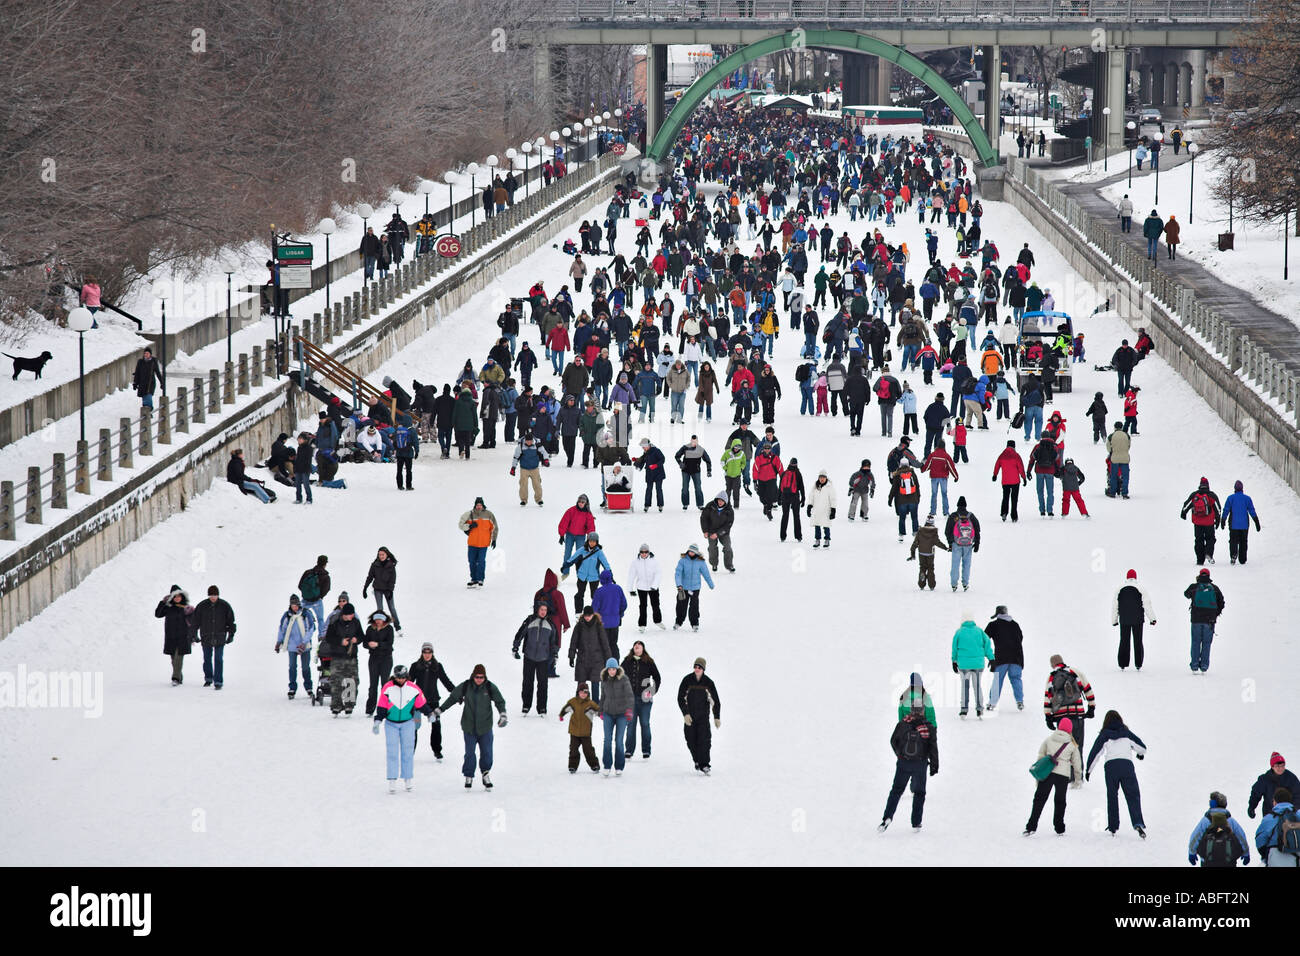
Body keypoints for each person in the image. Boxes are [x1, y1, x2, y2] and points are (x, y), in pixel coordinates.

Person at [435, 664, 508, 790]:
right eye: (477, 677)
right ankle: (469, 775)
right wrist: (440, 709)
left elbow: (499, 701)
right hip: (469, 727)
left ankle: (485, 774)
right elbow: (453, 698)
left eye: (481, 677)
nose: (479, 679)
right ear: (473, 676)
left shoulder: (489, 687)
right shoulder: (466, 686)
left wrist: (503, 714)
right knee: (470, 753)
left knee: (487, 752)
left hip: (485, 727)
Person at [1084, 710, 1148, 837]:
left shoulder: (1104, 734)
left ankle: (1113, 826)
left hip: (1111, 767)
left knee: (1112, 796)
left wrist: (1088, 770)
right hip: (1126, 766)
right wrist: (1139, 754)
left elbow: (1095, 752)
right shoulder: (1126, 733)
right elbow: (1142, 747)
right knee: (1133, 795)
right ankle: (1138, 823)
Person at [372, 664, 434, 793]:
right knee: (392, 751)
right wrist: (378, 720)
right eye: (398, 677)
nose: (400, 680)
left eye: (403, 677)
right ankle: (392, 780)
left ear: (407, 677)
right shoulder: (387, 688)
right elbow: (382, 705)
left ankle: (407, 778)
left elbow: (421, 704)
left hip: (408, 723)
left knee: (407, 751)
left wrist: (429, 714)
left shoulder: (413, 688)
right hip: (391, 724)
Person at [879, 707, 939, 832]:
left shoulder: (902, 724)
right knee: (919, 793)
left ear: (911, 710)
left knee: (896, 791)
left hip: (903, 763)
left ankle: (887, 818)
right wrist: (934, 765)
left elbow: (893, 741)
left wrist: (900, 755)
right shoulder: (928, 727)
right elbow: (933, 747)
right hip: (920, 764)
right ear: (923, 711)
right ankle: (916, 823)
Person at [1024, 717, 1083, 836]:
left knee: (1039, 800)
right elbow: (1077, 764)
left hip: (1048, 773)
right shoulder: (1072, 745)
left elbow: (1041, 757)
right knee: (1060, 801)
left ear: (1058, 727)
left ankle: (1031, 826)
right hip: (1063, 775)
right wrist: (1077, 780)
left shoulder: (1049, 740)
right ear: (1070, 729)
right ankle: (1059, 828)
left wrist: (1038, 777)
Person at [512, 603, 559, 716]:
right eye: (541, 609)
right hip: (529, 656)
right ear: (537, 610)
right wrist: (515, 647)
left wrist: (555, 654)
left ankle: (542, 708)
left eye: (545, 610)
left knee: (543, 684)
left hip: (543, 658)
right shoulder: (530, 620)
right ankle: (526, 706)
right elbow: (520, 634)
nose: (543, 612)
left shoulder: (550, 624)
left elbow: (554, 642)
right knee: (528, 682)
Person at [409, 643, 454, 760]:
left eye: (429, 652)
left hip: (433, 701)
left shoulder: (437, 666)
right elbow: (408, 683)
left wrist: (456, 693)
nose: (427, 655)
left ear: (432, 653)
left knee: (436, 725)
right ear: (422, 653)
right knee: (414, 726)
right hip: (418, 702)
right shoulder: (415, 666)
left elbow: (446, 681)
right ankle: (410, 751)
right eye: (425, 652)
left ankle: (437, 750)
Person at [678, 657, 721, 774]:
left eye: (699, 667)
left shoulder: (708, 683)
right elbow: (680, 698)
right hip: (690, 718)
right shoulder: (687, 680)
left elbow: (715, 700)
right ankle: (696, 760)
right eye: (695, 667)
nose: (697, 669)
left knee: (705, 741)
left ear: (703, 669)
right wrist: (685, 714)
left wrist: (716, 717)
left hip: (703, 717)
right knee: (690, 740)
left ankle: (705, 764)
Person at [1043, 654, 1095, 750]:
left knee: (1065, 750)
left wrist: (1048, 717)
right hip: (1077, 715)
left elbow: (1048, 698)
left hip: (1061, 719)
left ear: (1052, 665)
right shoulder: (1074, 672)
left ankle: (1066, 765)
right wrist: (1091, 707)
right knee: (1078, 748)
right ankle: (1078, 765)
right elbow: (1088, 689)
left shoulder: (1052, 677)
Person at [622, 640, 661, 759]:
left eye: (639, 646)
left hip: (645, 700)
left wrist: (652, 691)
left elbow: (657, 678)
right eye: (635, 646)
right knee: (631, 724)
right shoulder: (627, 661)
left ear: (643, 649)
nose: (637, 647)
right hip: (630, 699)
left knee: (645, 724)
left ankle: (646, 750)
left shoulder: (649, 662)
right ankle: (629, 750)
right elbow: (619, 676)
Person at [192, 585, 236, 689]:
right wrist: (194, 634)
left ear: (218, 595)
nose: (213, 597)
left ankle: (218, 681)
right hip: (206, 636)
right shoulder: (202, 606)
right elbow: (195, 622)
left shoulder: (225, 606)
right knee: (207, 659)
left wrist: (231, 635)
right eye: (211, 595)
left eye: (215, 595)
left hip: (220, 636)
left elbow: (231, 622)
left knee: (218, 659)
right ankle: (208, 678)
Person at [1189, 792, 1250, 867]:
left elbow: (1195, 837)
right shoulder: (1230, 821)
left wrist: (1192, 852)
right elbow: (1241, 837)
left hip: (1208, 861)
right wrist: (1246, 853)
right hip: (1228, 861)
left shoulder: (1206, 820)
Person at [321, 602, 361, 715]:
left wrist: (356, 639)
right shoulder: (334, 623)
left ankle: (349, 705)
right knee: (336, 682)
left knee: (352, 681)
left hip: (351, 657)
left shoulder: (356, 622)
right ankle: (336, 705)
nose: (352, 616)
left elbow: (361, 636)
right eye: (350, 614)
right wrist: (340, 641)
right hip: (337, 656)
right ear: (345, 614)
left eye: (353, 614)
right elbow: (328, 638)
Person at [597, 658, 635, 776]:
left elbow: (629, 696)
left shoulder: (624, 679)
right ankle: (607, 765)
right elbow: (602, 696)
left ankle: (619, 766)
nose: (612, 671)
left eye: (614, 669)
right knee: (607, 740)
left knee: (618, 741)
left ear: (617, 669)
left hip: (622, 714)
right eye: (610, 669)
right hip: (608, 713)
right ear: (607, 669)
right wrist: (601, 711)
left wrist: (629, 711)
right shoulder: (604, 680)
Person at [275, 594, 317, 699]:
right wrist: (279, 642)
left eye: (296, 605)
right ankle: (292, 687)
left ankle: (309, 687)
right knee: (292, 667)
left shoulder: (305, 614)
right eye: (292, 605)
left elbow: (310, 629)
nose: (295, 607)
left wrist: (304, 642)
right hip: (292, 646)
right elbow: (282, 629)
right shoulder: (287, 615)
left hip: (305, 646)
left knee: (306, 667)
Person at [1184, 567, 1225, 674]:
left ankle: (1194, 666)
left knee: (1196, 642)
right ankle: (1204, 666)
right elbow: (1222, 603)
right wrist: (1215, 614)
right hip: (1210, 620)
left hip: (1196, 619)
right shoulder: (1215, 588)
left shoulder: (1195, 587)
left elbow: (1186, 594)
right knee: (1207, 643)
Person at [984, 605, 1025, 711]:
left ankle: (992, 703)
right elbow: (1021, 638)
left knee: (998, 679)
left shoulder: (993, 625)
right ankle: (1020, 701)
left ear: (997, 614)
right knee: (1016, 679)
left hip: (1001, 657)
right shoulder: (1015, 625)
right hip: (1017, 657)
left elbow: (985, 639)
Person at [569, 606, 612, 703]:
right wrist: (571, 656)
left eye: (589, 615)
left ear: (593, 615)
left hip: (596, 660)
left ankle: (595, 704)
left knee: (595, 683)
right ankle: (580, 703)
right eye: (586, 615)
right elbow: (573, 641)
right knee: (581, 683)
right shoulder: (579, 626)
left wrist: (608, 659)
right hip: (582, 659)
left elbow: (605, 643)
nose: (587, 617)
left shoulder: (598, 626)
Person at [561, 531, 611, 612]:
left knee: (594, 596)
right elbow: (573, 558)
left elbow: (605, 564)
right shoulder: (582, 550)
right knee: (579, 594)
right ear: (588, 541)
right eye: (590, 541)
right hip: (582, 576)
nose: (592, 543)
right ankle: (578, 613)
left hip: (594, 577)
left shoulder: (599, 552)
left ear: (597, 542)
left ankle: (595, 612)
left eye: (594, 541)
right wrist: (565, 565)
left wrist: (609, 573)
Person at [155, 585, 194, 686]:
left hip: (183, 637)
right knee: (173, 659)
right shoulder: (168, 608)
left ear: (182, 597)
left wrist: (193, 635)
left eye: (179, 596)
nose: (177, 598)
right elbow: (158, 614)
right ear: (172, 597)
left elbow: (193, 623)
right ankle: (179, 676)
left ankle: (175, 678)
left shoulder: (187, 608)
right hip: (171, 637)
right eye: (175, 596)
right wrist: (163, 602)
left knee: (178, 658)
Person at [559, 683, 601, 773]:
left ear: (588, 693)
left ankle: (594, 765)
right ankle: (572, 766)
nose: (583, 694)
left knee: (588, 750)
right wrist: (561, 715)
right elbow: (565, 708)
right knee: (573, 750)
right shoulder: (573, 702)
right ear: (578, 692)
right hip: (574, 731)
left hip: (586, 732)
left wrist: (601, 715)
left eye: (585, 692)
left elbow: (598, 710)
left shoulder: (591, 704)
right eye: (581, 692)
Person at [458, 496, 498, 588]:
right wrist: (469, 526)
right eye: (477, 505)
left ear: (483, 505)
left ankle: (480, 579)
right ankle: (474, 579)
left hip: (483, 543)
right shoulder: (470, 514)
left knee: (481, 561)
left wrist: (494, 539)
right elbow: (461, 525)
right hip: (472, 543)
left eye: (480, 504)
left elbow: (495, 527)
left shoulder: (489, 514)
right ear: (475, 505)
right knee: (472, 561)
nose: (479, 506)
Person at [1180, 477, 1222, 564]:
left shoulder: (1195, 495)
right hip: (1209, 523)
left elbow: (1186, 504)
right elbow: (1218, 509)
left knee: (1199, 540)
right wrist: (1218, 520)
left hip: (1197, 522)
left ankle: (1200, 560)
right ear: (1208, 485)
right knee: (1210, 539)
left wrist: (1183, 513)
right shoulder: (1212, 495)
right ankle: (1208, 553)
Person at [673, 543, 714, 631]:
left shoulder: (700, 562)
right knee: (681, 606)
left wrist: (710, 583)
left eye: (693, 552)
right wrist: (679, 584)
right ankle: (678, 622)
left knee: (694, 606)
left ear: (696, 552)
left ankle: (695, 623)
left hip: (695, 588)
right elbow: (678, 573)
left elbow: (706, 574)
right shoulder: (683, 561)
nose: (691, 553)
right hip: (683, 588)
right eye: (690, 551)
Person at [1255, 788, 1300, 867]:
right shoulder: (1298, 815)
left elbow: (1260, 840)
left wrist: (1265, 855)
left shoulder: (1269, 818)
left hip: (1276, 856)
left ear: (1275, 802)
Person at [1220, 480, 1261, 565]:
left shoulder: (1230, 498)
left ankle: (1233, 555)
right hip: (1244, 525)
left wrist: (1223, 520)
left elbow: (1226, 510)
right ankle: (1242, 559)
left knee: (1233, 541)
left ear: (1235, 488)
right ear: (1242, 488)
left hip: (1233, 524)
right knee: (1243, 541)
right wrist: (1256, 522)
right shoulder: (1247, 498)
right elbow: (1252, 511)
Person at [943, 497, 980, 592]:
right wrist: (977, 544)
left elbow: (947, 531)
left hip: (956, 544)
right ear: (965, 505)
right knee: (966, 564)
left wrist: (950, 543)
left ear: (957, 505)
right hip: (968, 544)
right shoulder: (971, 516)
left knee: (955, 564)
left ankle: (954, 584)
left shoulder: (954, 516)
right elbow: (977, 530)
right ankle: (965, 583)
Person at [590, 569, 627, 659]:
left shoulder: (599, 591)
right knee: (613, 644)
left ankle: (604, 664)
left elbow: (594, 608)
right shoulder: (618, 588)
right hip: (615, 623)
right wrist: (619, 615)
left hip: (603, 624)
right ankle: (615, 664)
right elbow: (624, 604)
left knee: (603, 645)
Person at [1249, 753, 1300, 818]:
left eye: (1282, 766)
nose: (1280, 768)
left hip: (1288, 814)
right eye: (1277, 766)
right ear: (1272, 766)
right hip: (1270, 814)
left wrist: (1294, 809)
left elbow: (1298, 795)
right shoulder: (1264, 779)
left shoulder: (1291, 778)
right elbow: (1256, 794)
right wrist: (1251, 807)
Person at [628, 543, 664, 632]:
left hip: (653, 588)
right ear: (639, 552)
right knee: (643, 606)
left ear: (649, 552)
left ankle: (658, 621)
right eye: (642, 552)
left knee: (655, 605)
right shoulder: (635, 562)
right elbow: (631, 575)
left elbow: (658, 574)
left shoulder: (654, 561)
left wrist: (654, 585)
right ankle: (642, 624)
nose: (644, 554)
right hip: (641, 587)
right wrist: (630, 589)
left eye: (646, 552)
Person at [362, 547, 400, 632]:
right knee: (380, 609)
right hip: (378, 589)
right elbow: (370, 577)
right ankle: (382, 627)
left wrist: (391, 590)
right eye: (380, 554)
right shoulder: (375, 564)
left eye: (383, 554)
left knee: (392, 608)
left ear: (387, 555)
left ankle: (397, 627)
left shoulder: (391, 565)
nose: (381, 556)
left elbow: (392, 579)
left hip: (387, 590)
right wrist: (365, 588)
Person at [700, 490, 737, 572]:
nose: (720, 502)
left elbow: (728, 525)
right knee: (712, 547)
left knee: (728, 547)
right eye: (719, 500)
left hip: (723, 532)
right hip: (711, 530)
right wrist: (705, 531)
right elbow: (704, 518)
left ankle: (729, 565)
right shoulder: (710, 506)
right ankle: (714, 564)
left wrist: (718, 534)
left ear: (726, 502)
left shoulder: (729, 511)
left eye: (722, 501)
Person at [674, 435, 713, 510]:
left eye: (695, 441)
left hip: (696, 471)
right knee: (685, 488)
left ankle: (700, 504)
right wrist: (680, 463)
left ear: (697, 441)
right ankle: (685, 504)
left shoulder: (700, 449)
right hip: (686, 471)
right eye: (692, 441)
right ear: (690, 441)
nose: (693, 443)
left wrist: (709, 470)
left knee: (698, 488)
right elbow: (677, 456)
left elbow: (708, 460)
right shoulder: (685, 447)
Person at [557, 494, 596, 568]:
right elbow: (564, 522)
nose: (580, 503)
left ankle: (580, 572)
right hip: (570, 535)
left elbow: (591, 527)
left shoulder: (588, 514)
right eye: (579, 501)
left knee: (579, 555)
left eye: (583, 502)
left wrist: (591, 539)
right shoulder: (571, 511)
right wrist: (562, 535)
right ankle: (565, 570)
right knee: (567, 554)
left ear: (586, 503)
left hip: (580, 537)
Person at [512, 433, 549, 506]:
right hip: (524, 469)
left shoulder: (537, 445)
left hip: (534, 468)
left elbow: (544, 452)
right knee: (523, 485)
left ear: (532, 440)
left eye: (530, 441)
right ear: (525, 440)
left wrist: (546, 460)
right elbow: (516, 457)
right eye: (527, 441)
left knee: (537, 484)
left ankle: (539, 499)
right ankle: (523, 500)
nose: (529, 442)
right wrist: (513, 468)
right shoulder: (520, 446)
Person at [888, 462, 922, 542]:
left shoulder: (897, 475)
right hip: (913, 500)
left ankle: (901, 535)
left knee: (902, 518)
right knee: (914, 517)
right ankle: (915, 533)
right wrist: (918, 497)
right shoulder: (912, 474)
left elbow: (894, 489)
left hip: (902, 501)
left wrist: (890, 499)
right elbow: (917, 486)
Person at [634, 437, 666, 512]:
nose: (643, 448)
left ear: (648, 445)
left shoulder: (656, 451)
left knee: (658, 489)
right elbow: (643, 459)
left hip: (658, 473)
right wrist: (636, 460)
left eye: (643, 446)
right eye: (642, 447)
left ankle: (660, 505)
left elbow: (662, 459)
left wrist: (656, 465)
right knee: (649, 489)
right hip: (649, 473)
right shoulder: (646, 452)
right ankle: (646, 505)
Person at [807, 469, 836, 548]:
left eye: (823, 477)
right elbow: (811, 497)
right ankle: (817, 540)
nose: (822, 479)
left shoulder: (829, 487)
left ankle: (827, 540)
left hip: (826, 510)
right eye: (820, 477)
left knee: (826, 525)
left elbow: (833, 498)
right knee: (817, 525)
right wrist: (809, 506)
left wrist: (833, 509)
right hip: (817, 510)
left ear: (826, 478)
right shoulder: (815, 487)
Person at [1105, 422, 1130, 498]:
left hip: (1114, 458)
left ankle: (1112, 493)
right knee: (1125, 476)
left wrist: (1112, 452)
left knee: (1113, 476)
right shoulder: (1127, 435)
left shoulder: (1111, 436)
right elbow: (1128, 446)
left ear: (1115, 427)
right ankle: (1124, 493)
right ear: (1122, 427)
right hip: (1125, 458)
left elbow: (1108, 447)